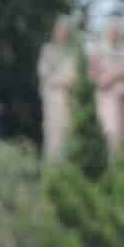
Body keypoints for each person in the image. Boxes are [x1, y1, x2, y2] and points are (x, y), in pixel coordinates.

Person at [89, 19, 124, 154]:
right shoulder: (98, 50)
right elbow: (93, 75)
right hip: (107, 100)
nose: (114, 34)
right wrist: (112, 76)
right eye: (111, 31)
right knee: (111, 135)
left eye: (116, 31)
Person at [37, 17, 79, 160]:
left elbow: (78, 75)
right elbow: (45, 73)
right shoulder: (48, 50)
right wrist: (62, 78)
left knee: (70, 134)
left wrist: (70, 79)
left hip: (71, 98)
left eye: (65, 30)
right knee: (54, 136)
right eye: (60, 30)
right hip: (54, 99)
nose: (62, 33)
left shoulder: (74, 52)